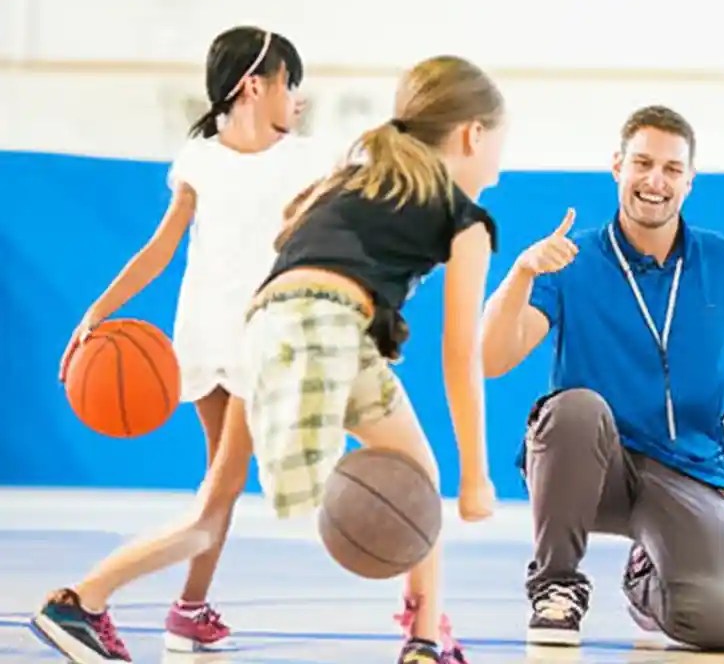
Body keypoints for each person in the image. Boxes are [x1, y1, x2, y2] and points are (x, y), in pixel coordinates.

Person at [32, 53, 504, 664]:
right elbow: (460, 352)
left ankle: (81, 601)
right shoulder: (466, 220)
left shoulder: (358, 174)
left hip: (264, 326)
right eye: (500, 143)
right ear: (473, 134)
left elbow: (290, 232)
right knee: (421, 481)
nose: (498, 163)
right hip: (324, 330)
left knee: (213, 509)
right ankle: (421, 642)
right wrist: (477, 476)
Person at [40, 25, 326, 659]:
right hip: (220, 337)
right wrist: (97, 311)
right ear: (255, 85)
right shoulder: (202, 159)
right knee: (220, 490)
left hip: (246, 334)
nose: (296, 97)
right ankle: (83, 599)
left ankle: (189, 610)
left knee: (219, 483)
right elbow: (160, 248)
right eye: (288, 83)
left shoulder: (308, 159)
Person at [480, 105, 724, 652]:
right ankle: (556, 587)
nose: (655, 181)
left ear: (690, 180)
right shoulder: (573, 260)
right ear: (617, 167)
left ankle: (646, 580)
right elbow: (491, 359)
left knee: (723, 622)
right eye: (643, 163)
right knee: (575, 409)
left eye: (672, 169)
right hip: (591, 464)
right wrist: (521, 272)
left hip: (687, 471)